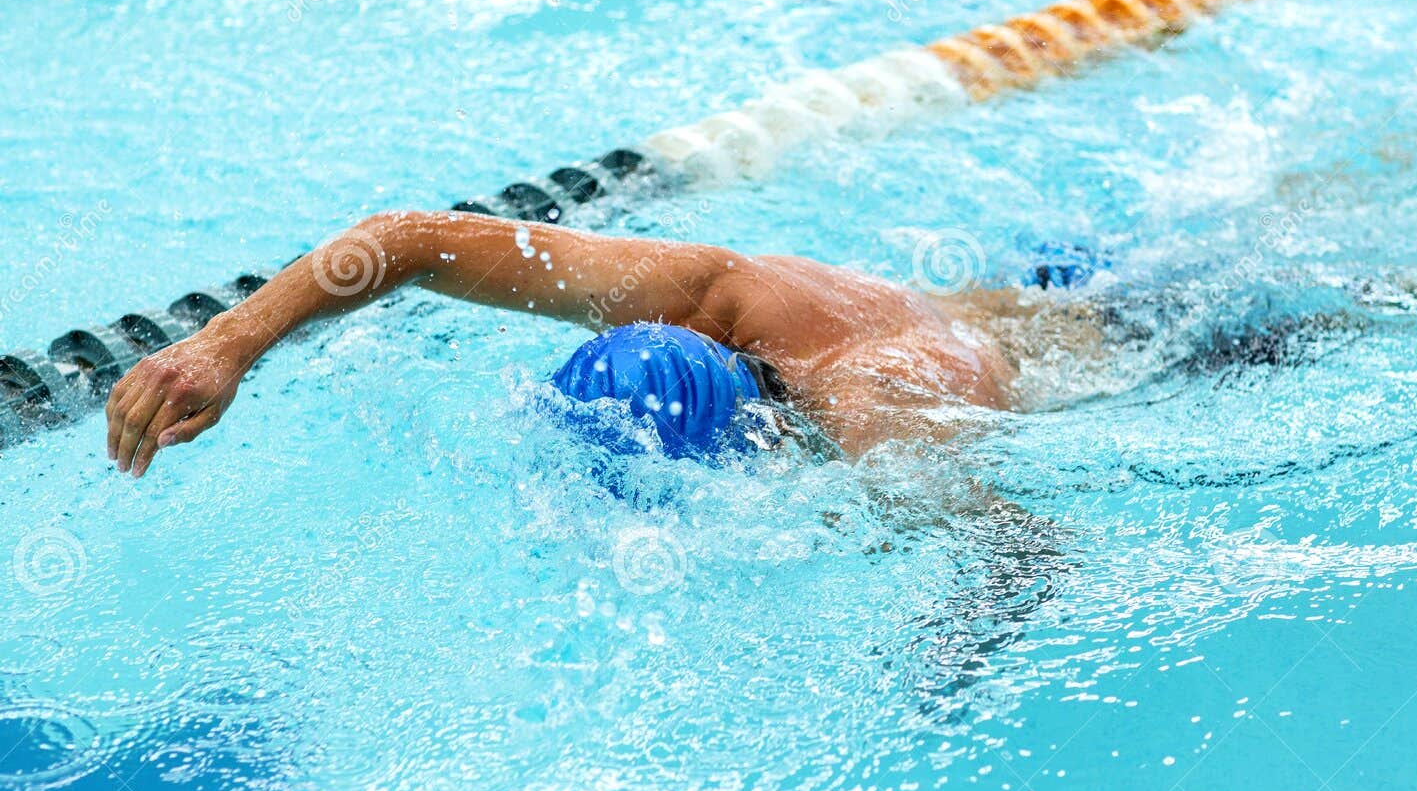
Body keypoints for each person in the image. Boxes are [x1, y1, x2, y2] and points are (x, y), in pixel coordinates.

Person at [105, 210, 1032, 478]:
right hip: (944, 296)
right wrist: (227, 343)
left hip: (1067, 337)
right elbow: (414, 240)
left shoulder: (872, 401)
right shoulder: (704, 292)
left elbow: (1010, 549)